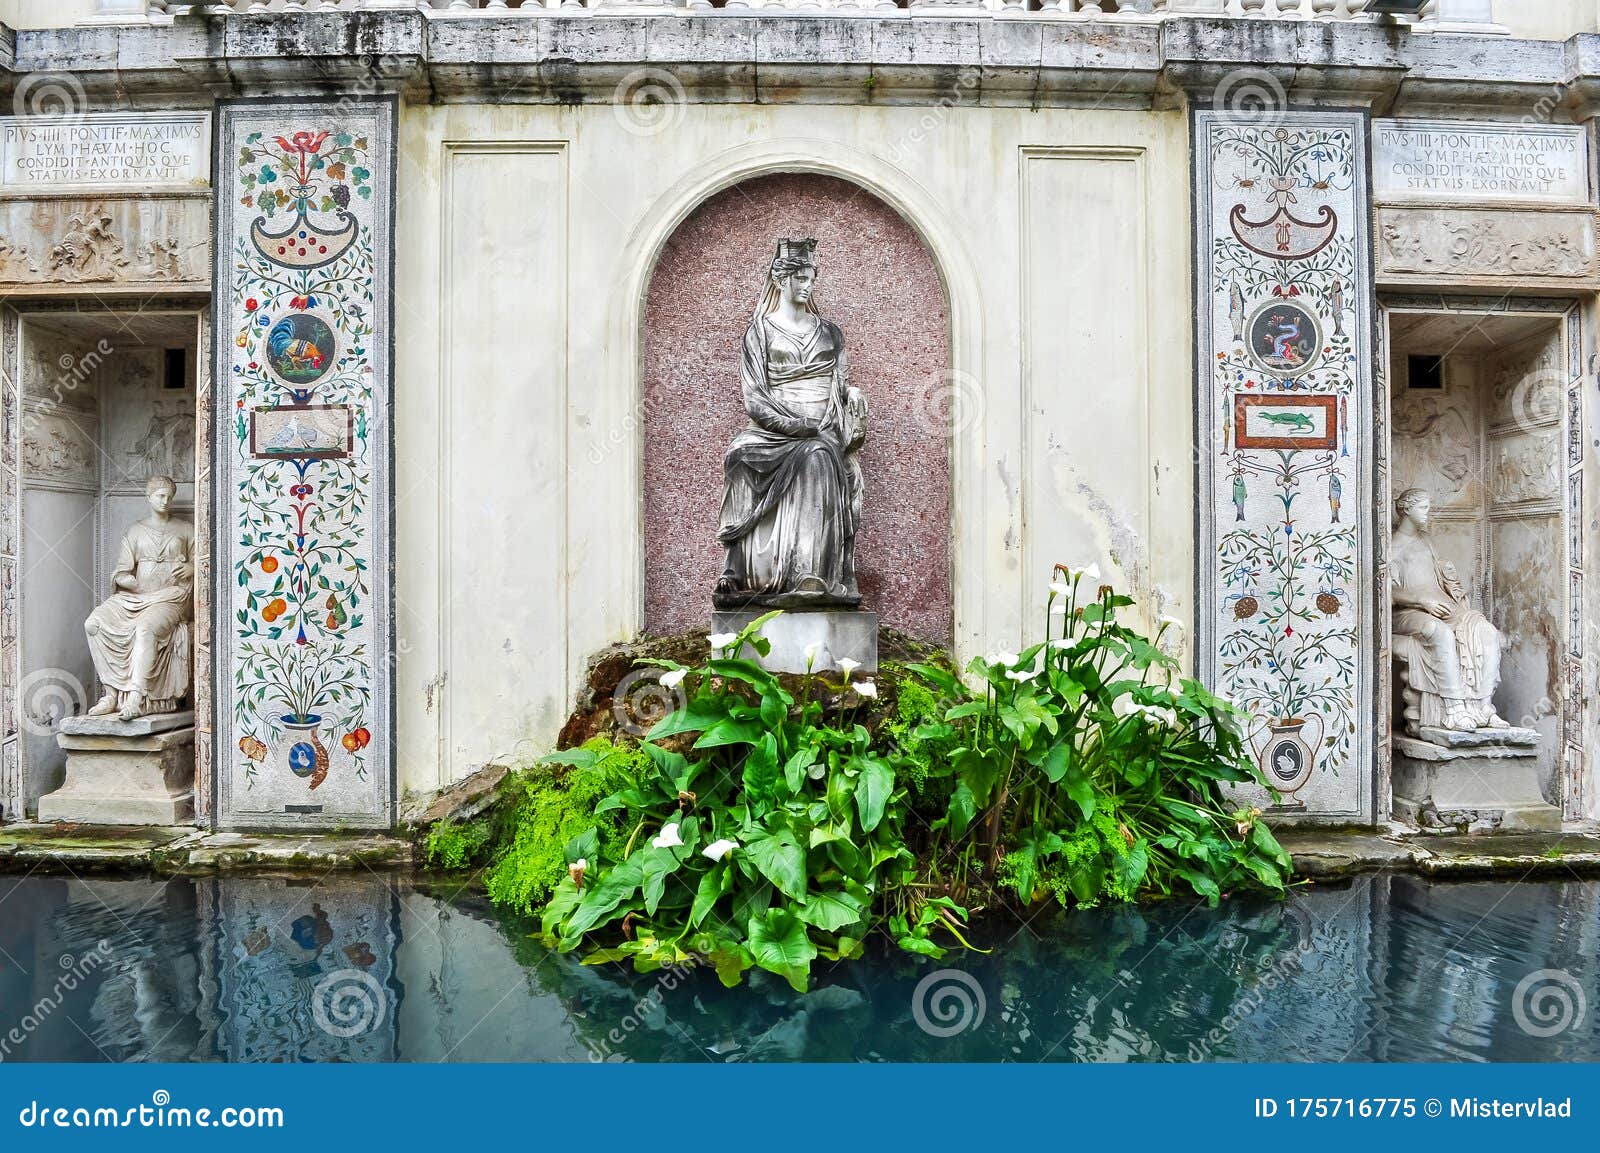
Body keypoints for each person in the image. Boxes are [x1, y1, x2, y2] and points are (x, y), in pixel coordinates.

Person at [84, 475, 194, 721]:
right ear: (148, 497)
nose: (165, 501)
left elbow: (204, 562)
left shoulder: (186, 530)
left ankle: (135, 696)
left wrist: (192, 568)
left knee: (145, 629)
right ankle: (111, 693)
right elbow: (122, 570)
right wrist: (126, 580)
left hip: (172, 597)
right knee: (94, 624)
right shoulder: (135, 531)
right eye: (160, 496)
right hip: (135, 597)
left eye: (169, 496)